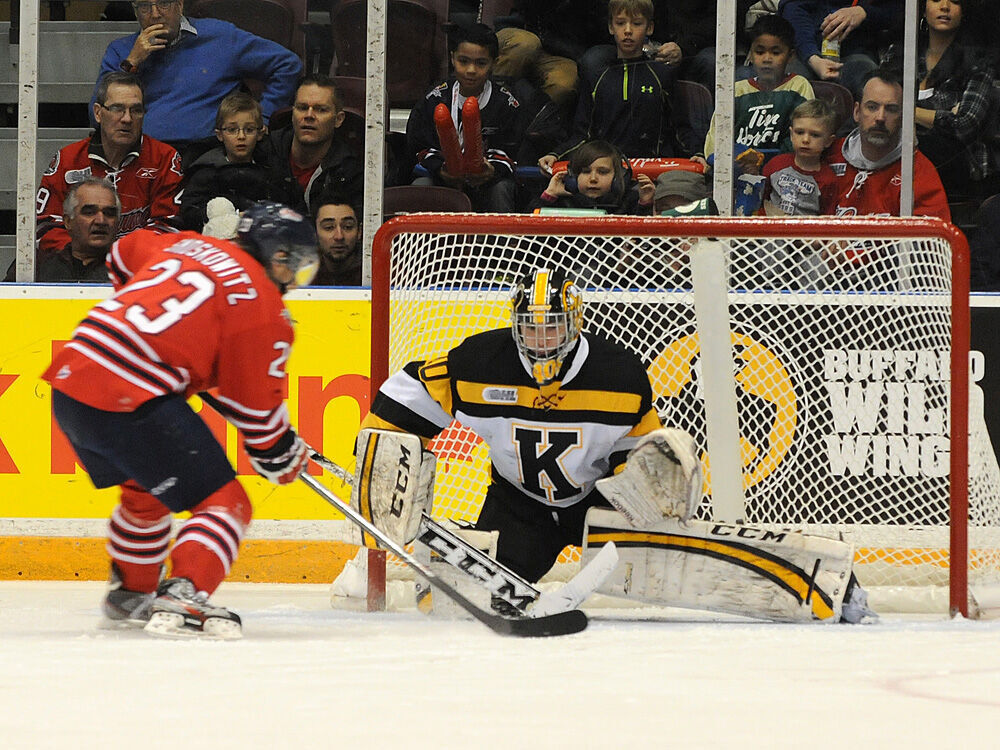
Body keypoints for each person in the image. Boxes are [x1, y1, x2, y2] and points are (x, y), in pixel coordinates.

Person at [42, 202, 319, 639]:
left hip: (71, 382)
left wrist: (161, 335)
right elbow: (259, 421)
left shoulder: (189, 243)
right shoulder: (265, 307)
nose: (292, 278)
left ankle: (132, 593)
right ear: (272, 253)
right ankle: (184, 589)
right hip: (131, 396)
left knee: (145, 493)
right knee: (227, 503)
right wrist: (282, 454)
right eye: (291, 263)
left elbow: (121, 252)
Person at [93, 0, 302, 152]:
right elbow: (96, 115)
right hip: (141, 155)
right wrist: (132, 63)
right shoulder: (122, 51)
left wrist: (261, 117)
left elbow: (288, 65)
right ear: (135, 11)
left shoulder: (220, 37)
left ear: (180, 5)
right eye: (145, 6)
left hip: (205, 153)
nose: (155, 14)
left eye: (164, 3)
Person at [538, 0, 699, 174]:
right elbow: (583, 135)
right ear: (611, 27)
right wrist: (556, 154)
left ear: (649, 28)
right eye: (620, 23)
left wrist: (697, 153)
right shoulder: (596, 77)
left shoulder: (663, 75)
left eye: (637, 24)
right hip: (606, 175)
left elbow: (679, 129)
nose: (628, 31)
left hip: (653, 172)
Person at [36, 71, 182, 258]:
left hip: (138, 267)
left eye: (136, 110)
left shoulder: (164, 159)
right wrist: (83, 256)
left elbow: (169, 228)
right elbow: (45, 225)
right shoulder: (68, 160)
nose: (127, 119)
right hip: (76, 267)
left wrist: (119, 258)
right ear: (98, 113)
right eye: (117, 109)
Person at [884, 0, 1000, 202]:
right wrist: (943, 115)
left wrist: (902, 112)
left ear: (963, 12)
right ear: (922, 8)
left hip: (957, 165)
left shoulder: (979, 62)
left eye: (954, 1)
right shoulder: (900, 53)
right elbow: (877, 106)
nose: (945, 6)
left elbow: (964, 125)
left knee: (918, 144)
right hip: (896, 154)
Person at [406, 23, 524, 213]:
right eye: (464, 61)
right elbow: (419, 146)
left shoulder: (506, 104)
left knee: (502, 189)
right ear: (452, 58)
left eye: (481, 63)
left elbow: (512, 151)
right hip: (442, 178)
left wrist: (491, 170)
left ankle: (501, 241)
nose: (471, 70)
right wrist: (442, 168)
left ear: (494, 62)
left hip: (489, 182)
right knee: (421, 184)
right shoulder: (434, 99)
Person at [827, 66, 951, 220]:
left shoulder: (918, 170)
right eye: (872, 107)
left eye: (891, 109)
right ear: (857, 112)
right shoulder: (828, 155)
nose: (880, 117)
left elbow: (933, 240)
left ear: (903, 116)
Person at [700, 14, 815, 164]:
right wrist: (714, 161)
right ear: (751, 54)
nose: (767, 59)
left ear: (790, 56)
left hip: (783, 169)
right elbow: (717, 137)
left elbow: (805, 135)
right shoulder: (736, 90)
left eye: (776, 52)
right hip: (736, 169)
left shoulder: (799, 86)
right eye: (760, 52)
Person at [180, 92, 299, 232]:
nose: (241, 136)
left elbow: (293, 206)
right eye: (232, 130)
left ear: (260, 133)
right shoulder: (206, 172)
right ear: (220, 134)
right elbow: (189, 213)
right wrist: (224, 218)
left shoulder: (274, 167)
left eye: (249, 130)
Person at [264, 75, 365, 216]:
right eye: (302, 108)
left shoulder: (351, 172)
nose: (309, 115)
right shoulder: (263, 154)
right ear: (293, 114)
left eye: (321, 110)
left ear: (338, 119)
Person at [778, 0, 903, 96]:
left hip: (856, 53)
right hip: (807, 49)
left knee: (872, 85)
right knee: (786, 81)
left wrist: (864, 12)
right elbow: (793, 9)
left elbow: (900, 12)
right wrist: (812, 57)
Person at [531, 140, 655, 214]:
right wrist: (548, 196)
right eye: (585, 171)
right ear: (574, 177)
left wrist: (645, 205)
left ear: (618, 177)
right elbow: (523, 241)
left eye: (602, 172)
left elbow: (648, 247)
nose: (593, 178)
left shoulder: (631, 203)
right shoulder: (562, 203)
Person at [762, 97, 839, 215]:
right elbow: (760, 200)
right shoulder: (776, 164)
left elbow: (826, 221)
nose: (806, 140)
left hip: (806, 232)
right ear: (792, 135)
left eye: (815, 135)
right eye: (799, 132)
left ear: (828, 141)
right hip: (771, 229)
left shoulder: (828, 180)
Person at [312, 191, 361, 286]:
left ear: (360, 231)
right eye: (329, 227)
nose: (339, 236)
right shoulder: (300, 274)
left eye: (348, 226)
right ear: (314, 233)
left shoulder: (382, 271)